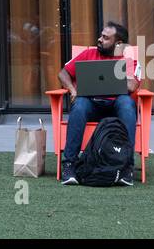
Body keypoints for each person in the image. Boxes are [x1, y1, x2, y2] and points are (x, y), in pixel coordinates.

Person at [59, 22, 140, 185]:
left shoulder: (129, 60)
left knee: (126, 103)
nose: (100, 39)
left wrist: (110, 79)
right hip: (91, 104)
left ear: (118, 43)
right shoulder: (88, 54)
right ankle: (69, 166)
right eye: (101, 35)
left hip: (116, 108)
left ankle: (126, 168)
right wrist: (72, 90)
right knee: (80, 104)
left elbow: (132, 85)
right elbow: (63, 73)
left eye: (105, 37)